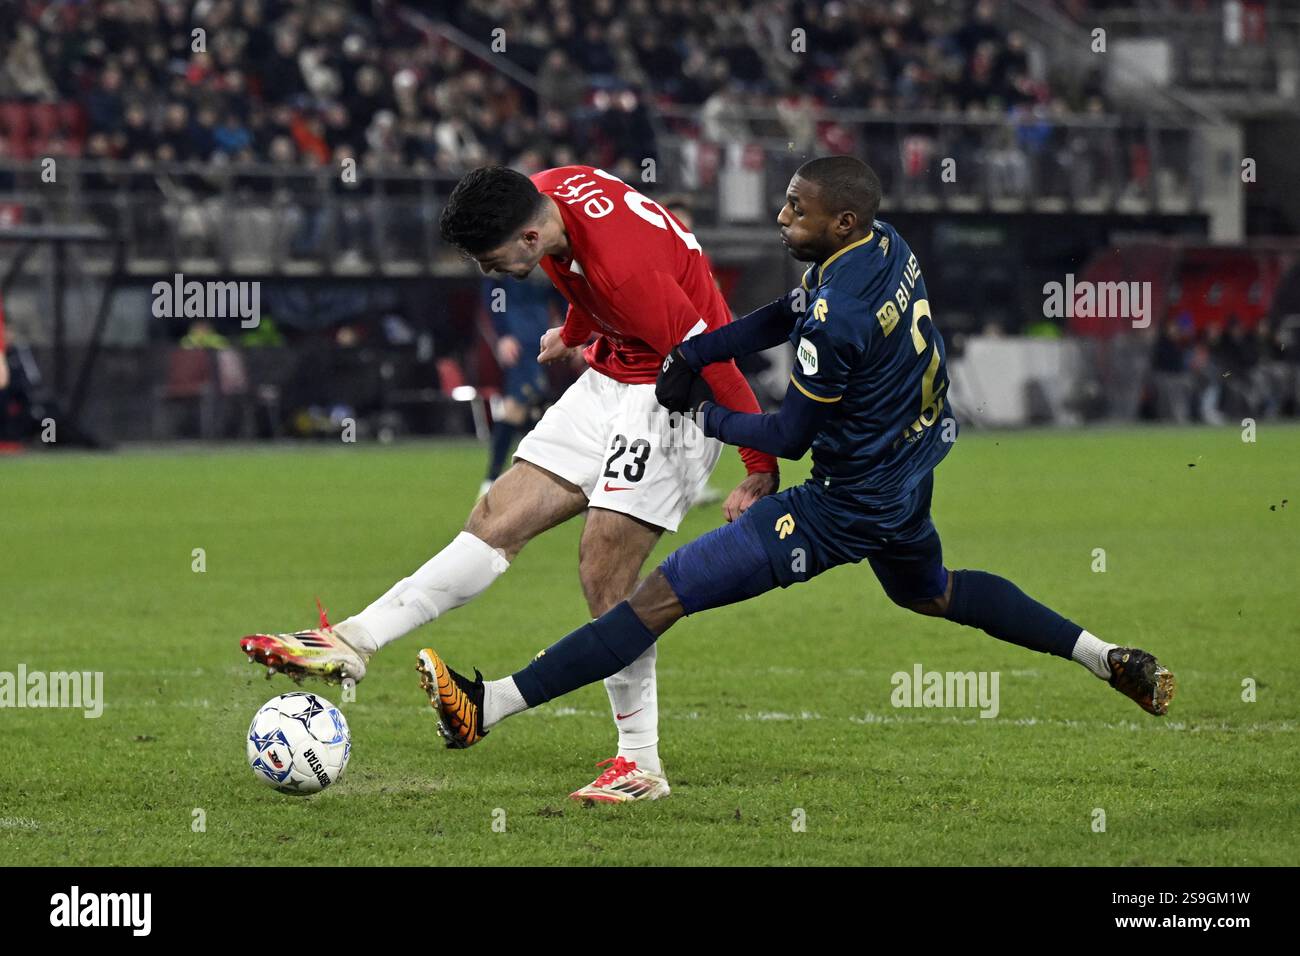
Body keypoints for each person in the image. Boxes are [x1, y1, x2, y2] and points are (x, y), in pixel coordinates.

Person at [414, 156, 1177, 765]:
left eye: (795, 211)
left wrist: (703, 408)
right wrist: (702, 350)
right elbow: (789, 310)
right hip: (910, 473)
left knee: (653, 601)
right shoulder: (882, 249)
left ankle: (490, 706)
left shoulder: (838, 321)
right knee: (933, 592)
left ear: (839, 220)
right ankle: (1101, 655)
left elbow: (788, 436)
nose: (781, 219)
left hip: (843, 506)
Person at [241, 165, 779, 802]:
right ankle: (355, 640)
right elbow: (579, 268)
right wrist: (576, 333)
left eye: (490, 259)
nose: (486, 272)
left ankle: (641, 763)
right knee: (495, 519)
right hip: (608, 378)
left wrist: (759, 464)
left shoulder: (627, 271)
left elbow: (713, 351)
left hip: (670, 399)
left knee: (604, 571)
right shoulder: (552, 193)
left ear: (527, 235)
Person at [477, 272, 564, 498]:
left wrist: (570, 330)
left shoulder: (545, 259)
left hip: (541, 341)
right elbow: (494, 295)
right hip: (518, 343)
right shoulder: (505, 256)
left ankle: (505, 478)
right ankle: (494, 478)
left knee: (530, 405)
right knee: (521, 404)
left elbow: (560, 294)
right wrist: (504, 334)